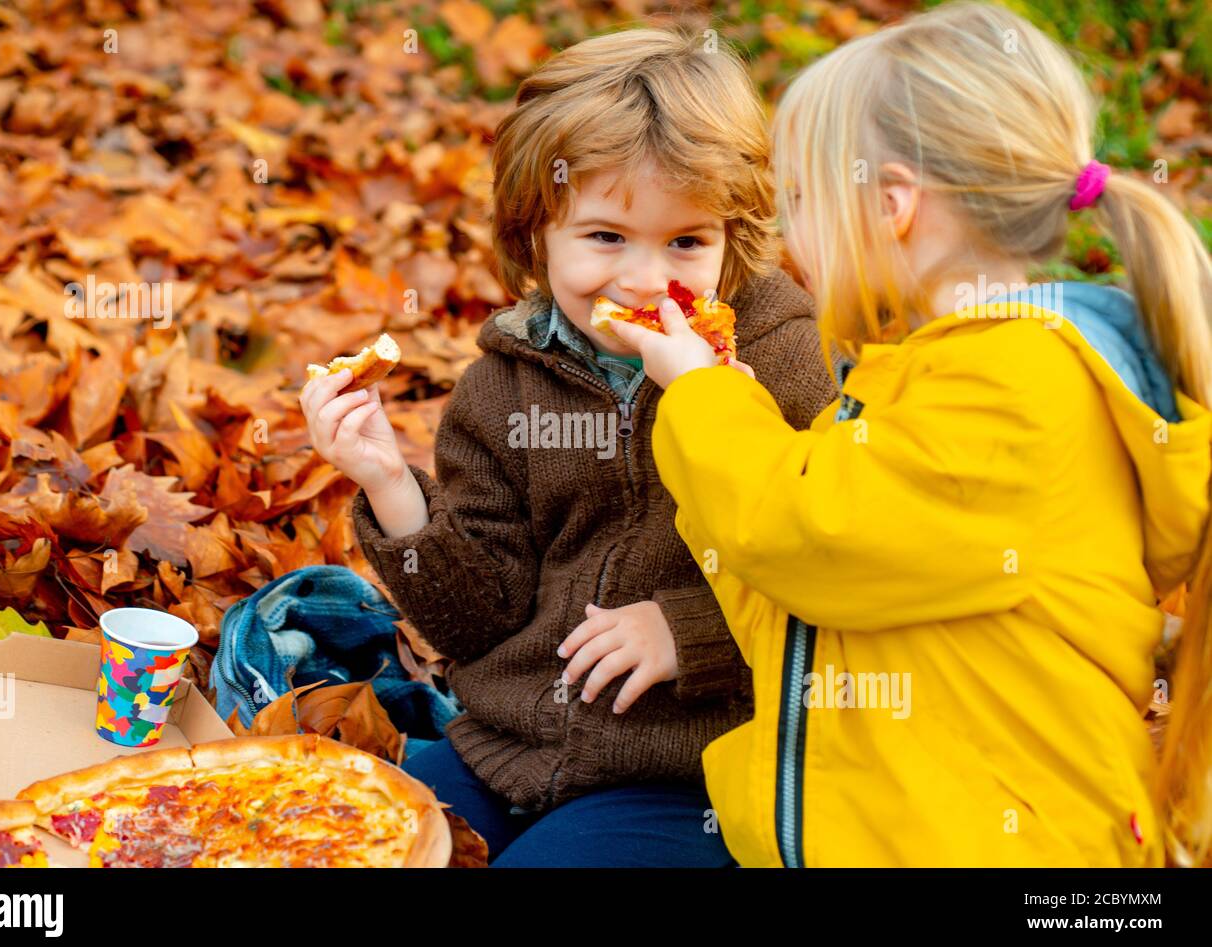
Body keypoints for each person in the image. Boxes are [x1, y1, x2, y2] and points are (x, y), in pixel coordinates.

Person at [609, 2, 1212, 866]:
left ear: (892, 205)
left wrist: (706, 402)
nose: (789, 242)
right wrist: (728, 432)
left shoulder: (1015, 388)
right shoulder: (922, 378)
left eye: (804, 203)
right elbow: (804, 595)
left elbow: (807, 532)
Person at [299, 27, 838, 866]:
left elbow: (831, 561)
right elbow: (478, 622)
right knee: (348, 839)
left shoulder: (779, 361)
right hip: (510, 746)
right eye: (606, 238)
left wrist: (688, 631)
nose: (646, 280)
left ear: (735, 235)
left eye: (686, 241)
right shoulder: (504, 387)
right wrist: (389, 488)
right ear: (535, 233)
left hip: (693, 772)